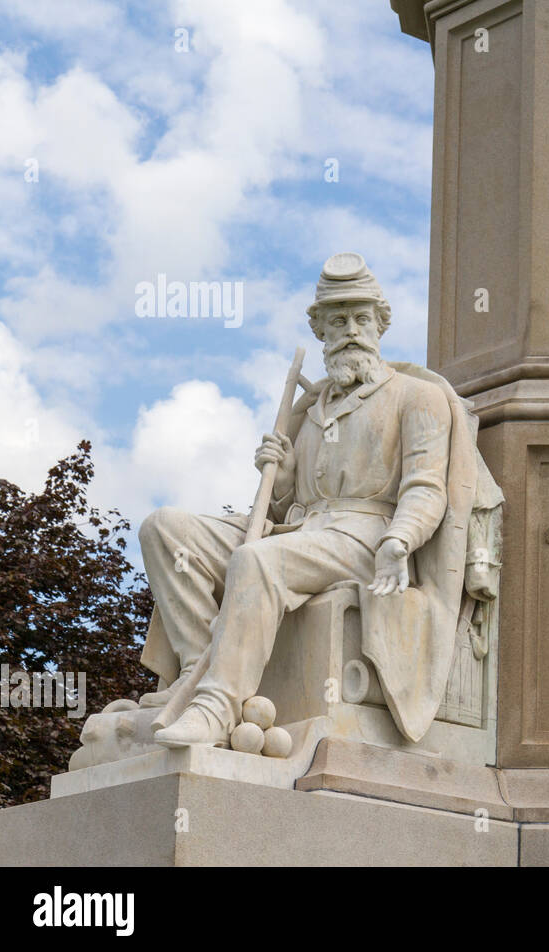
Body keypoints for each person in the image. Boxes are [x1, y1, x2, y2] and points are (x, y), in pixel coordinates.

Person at [141, 252, 474, 747]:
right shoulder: (310, 408)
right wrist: (283, 479)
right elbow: (281, 511)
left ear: (380, 325)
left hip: (367, 536)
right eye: (338, 320)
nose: (351, 330)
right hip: (302, 530)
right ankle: (198, 661)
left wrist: (400, 540)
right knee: (165, 529)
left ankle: (217, 706)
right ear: (320, 330)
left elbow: (426, 487)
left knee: (257, 560)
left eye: (361, 318)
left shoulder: (415, 396)